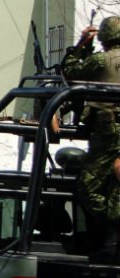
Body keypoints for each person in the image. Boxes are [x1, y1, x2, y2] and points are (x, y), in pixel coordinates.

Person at [62, 16, 120, 263]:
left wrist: (82, 44)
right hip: (108, 134)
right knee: (115, 185)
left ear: (104, 38)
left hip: (108, 135)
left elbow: (70, 72)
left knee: (87, 186)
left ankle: (111, 232)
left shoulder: (100, 60)